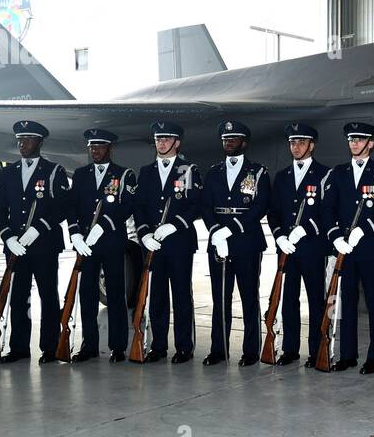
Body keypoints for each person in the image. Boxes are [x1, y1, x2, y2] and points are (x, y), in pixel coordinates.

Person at [320, 121, 374, 372]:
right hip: (344, 248)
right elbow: (326, 209)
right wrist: (335, 237)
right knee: (345, 302)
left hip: (370, 248)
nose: (354, 143)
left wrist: (365, 229)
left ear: (371, 144)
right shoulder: (337, 173)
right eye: (351, 139)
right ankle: (347, 354)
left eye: (360, 139)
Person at [0, 120, 70, 363]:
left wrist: (38, 229)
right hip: (16, 245)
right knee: (18, 296)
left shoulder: (53, 171)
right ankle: (18, 348)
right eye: (19, 140)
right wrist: (8, 236)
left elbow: (61, 207)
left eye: (28, 140)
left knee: (48, 296)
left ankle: (49, 347)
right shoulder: (8, 172)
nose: (22, 144)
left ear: (39, 142)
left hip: (44, 245)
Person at [202, 120, 272, 366]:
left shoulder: (258, 172)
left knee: (249, 297)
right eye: (225, 139)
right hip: (218, 241)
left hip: (247, 241)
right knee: (220, 298)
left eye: (233, 139)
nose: (228, 143)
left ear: (244, 142)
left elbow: (260, 207)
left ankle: (251, 351)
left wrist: (229, 230)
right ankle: (218, 350)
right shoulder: (213, 172)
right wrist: (214, 231)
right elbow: (205, 206)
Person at [134, 122, 203, 364]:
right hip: (153, 244)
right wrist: (144, 234)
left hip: (180, 243)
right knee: (158, 296)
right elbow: (139, 206)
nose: (162, 143)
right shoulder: (146, 171)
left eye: (167, 138)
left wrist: (174, 225)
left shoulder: (188, 169)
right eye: (158, 138)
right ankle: (158, 346)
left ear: (177, 142)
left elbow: (196, 204)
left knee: (182, 295)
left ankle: (184, 347)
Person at [67, 128, 137, 362]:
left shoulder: (124, 174)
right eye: (91, 147)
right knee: (86, 294)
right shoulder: (80, 175)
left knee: (116, 294)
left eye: (100, 146)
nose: (95, 151)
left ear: (110, 148)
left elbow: (126, 206)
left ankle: (118, 346)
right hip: (86, 244)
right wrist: (75, 233)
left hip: (112, 243)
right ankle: (89, 345)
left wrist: (103, 226)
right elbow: (72, 207)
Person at [267, 123, 330, 365]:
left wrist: (306, 229)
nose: (296, 147)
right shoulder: (282, 176)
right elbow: (273, 212)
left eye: (301, 142)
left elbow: (327, 212)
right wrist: (279, 236)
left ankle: (316, 351)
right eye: (293, 142)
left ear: (311, 145)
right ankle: (290, 350)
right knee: (288, 300)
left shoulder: (325, 175)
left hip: (313, 249)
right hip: (287, 250)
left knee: (316, 301)